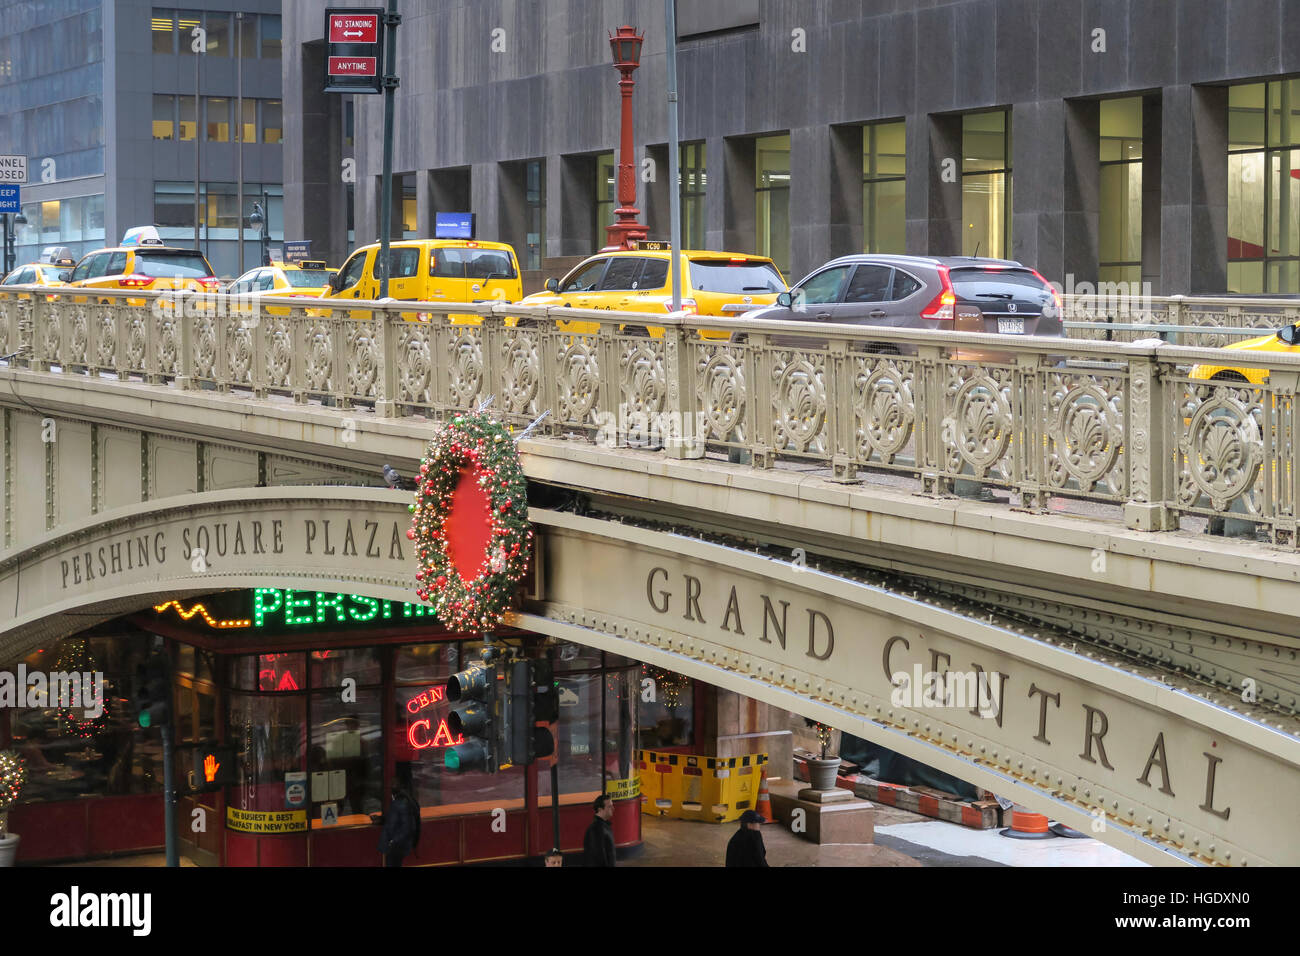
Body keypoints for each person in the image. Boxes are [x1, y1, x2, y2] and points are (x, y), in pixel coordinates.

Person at [376, 785, 421, 867]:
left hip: (396, 846)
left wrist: (393, 841)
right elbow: (394, 820)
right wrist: (382, 819)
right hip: (396, 846)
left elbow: (408, 828)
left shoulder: (401, 804)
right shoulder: (401, 803)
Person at [583, 793, 616, 866]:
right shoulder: (596, 829)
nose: (613, 809)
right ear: (600, 809)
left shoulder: (603, 826)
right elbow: (599, 858)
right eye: (609, 807)